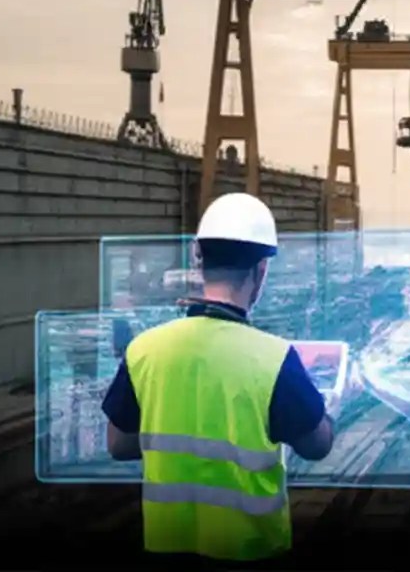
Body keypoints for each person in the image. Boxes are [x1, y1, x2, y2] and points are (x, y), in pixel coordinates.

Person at [100, 192, 339, 563]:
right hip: (250, 551)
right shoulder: (274, 358)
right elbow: (317, 445)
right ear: (261, 271)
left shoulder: (144, 351)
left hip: (166, 546)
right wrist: (329, 408)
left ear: (199, 257)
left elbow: (118, 445)